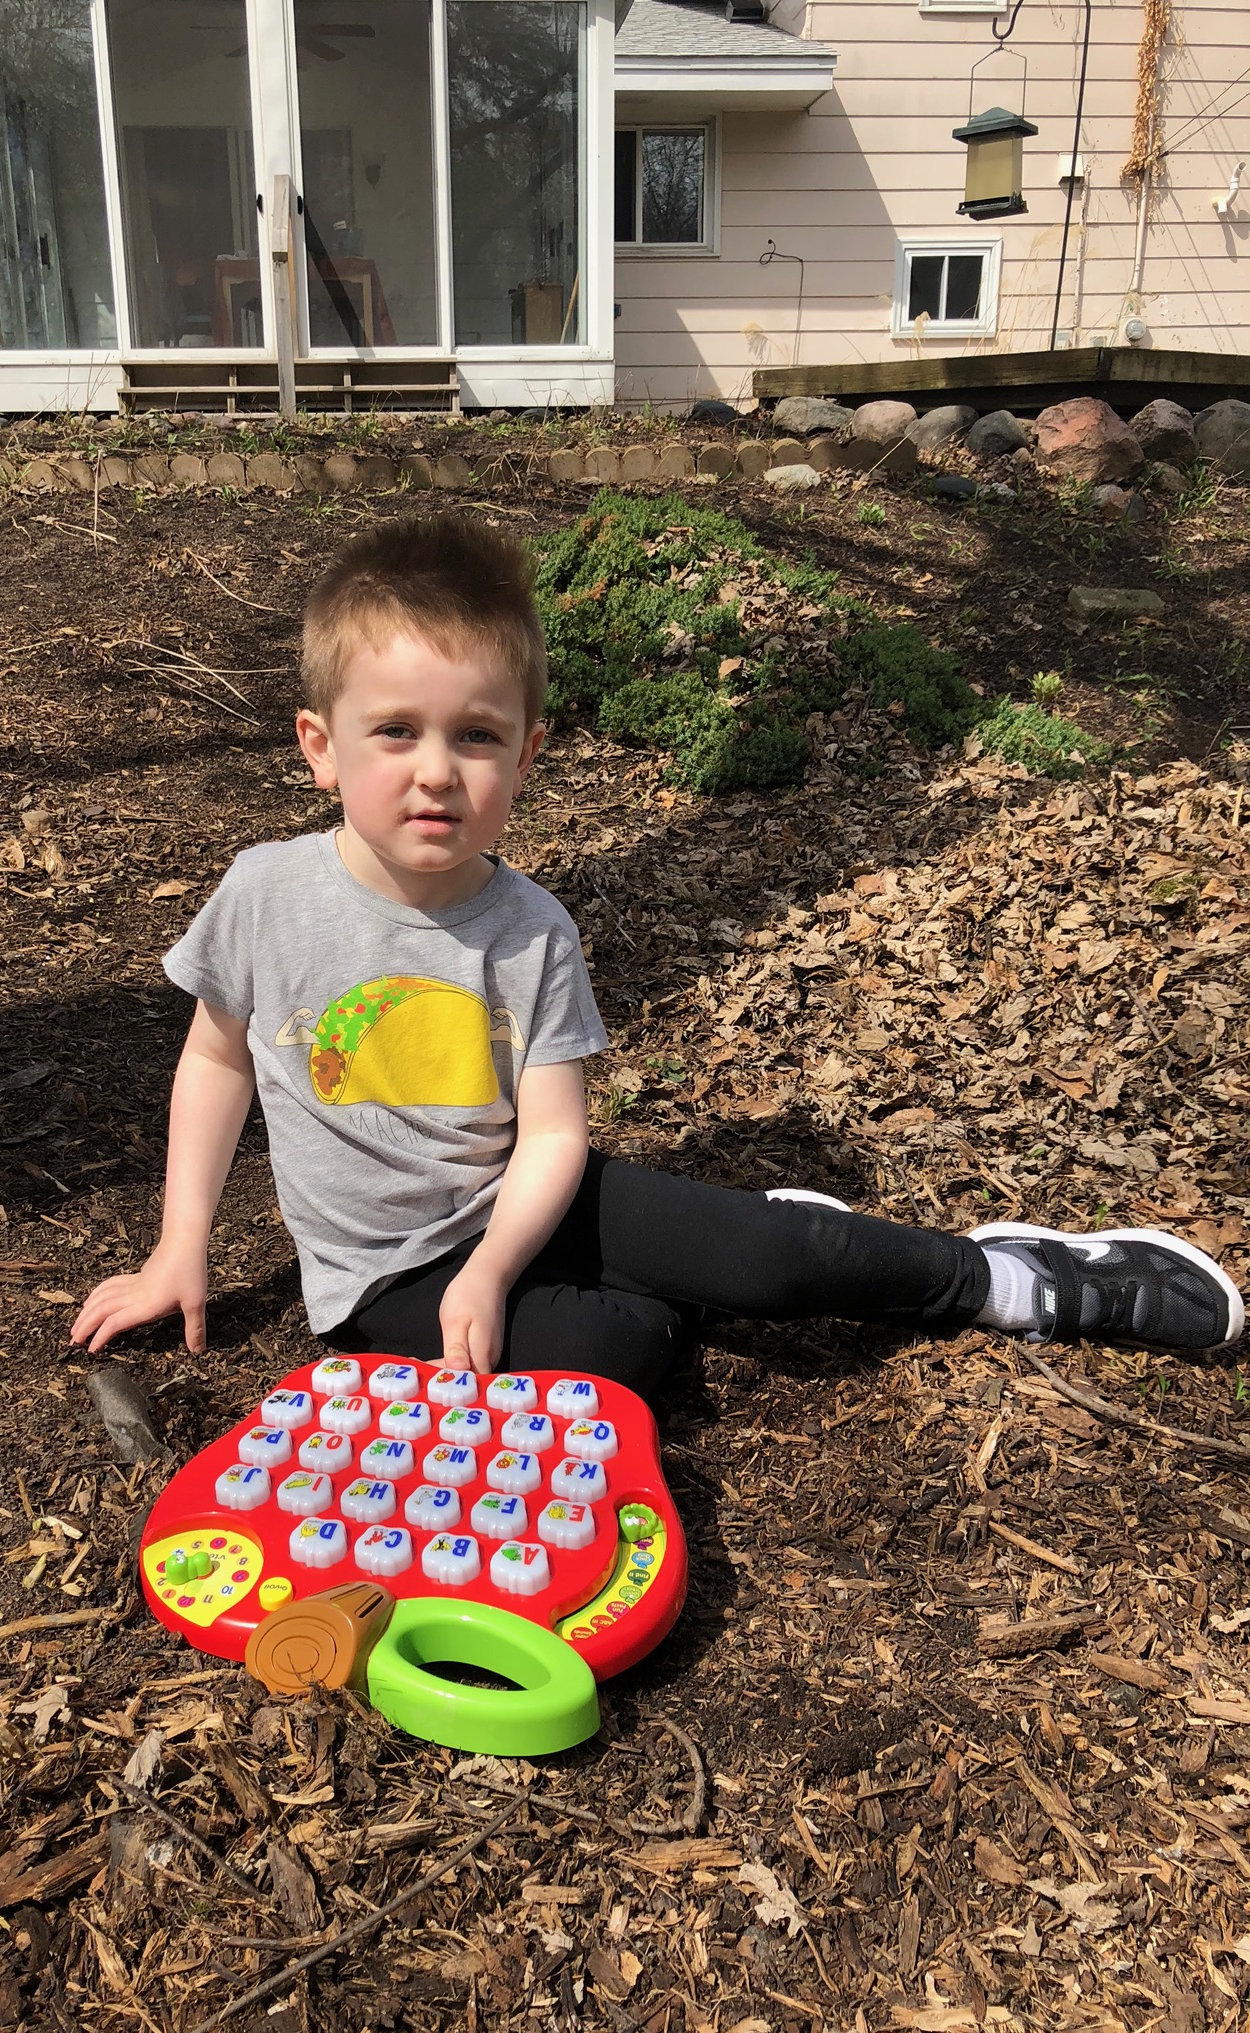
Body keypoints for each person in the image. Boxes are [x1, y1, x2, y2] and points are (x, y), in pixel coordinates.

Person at [70, 516, 1243, 1390]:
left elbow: (555, 1138)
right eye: (397, 732)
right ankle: (713, 1256)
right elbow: (219, 1063)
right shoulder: (264, 894)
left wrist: (493, 1268)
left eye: (477, 736)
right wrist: (182, 1246)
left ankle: (1008, 1275)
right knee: (625, 1360)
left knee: (779, 1261)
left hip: (529, 1204)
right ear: (321, 748)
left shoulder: (528, 929)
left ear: (525, 757)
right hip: (381, 1280)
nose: (437, 769)